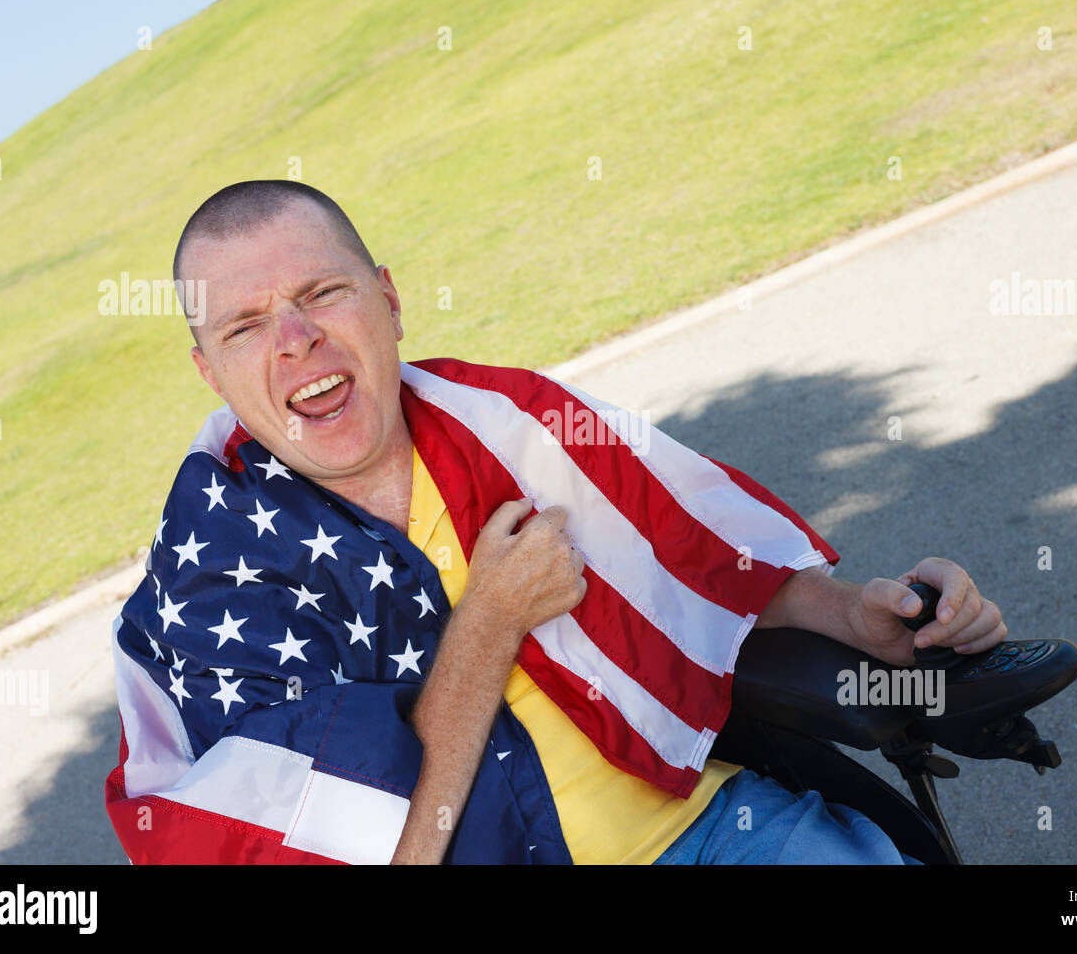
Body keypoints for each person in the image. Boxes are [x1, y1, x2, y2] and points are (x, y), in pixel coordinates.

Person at [104, 180, 1008, 864]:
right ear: (210, 374)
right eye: (246, 326)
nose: (295, 337)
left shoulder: (512, 424)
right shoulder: (221, 588)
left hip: (709, 832)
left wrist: (866, 616)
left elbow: (690, 561)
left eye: (323, 292)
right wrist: (490, 620)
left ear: (388, 299)